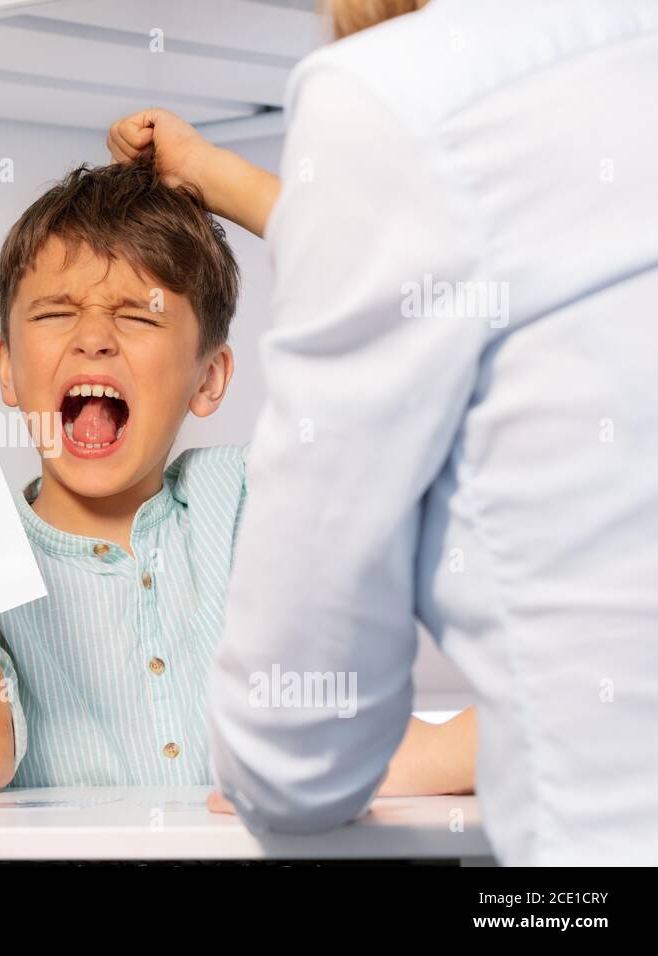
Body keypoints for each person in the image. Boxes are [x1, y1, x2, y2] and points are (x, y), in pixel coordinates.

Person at [109, 0, 658, 863]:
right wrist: (218, 176)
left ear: (211, 376)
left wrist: (395, 755)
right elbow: (467, 247)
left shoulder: (400, 88)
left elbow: (295, 758)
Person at [0, 156, 475, 796]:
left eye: (139, 315)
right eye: (54, 313)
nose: (93, 339)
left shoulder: (253, 500)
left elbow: (415, 297)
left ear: (209, 378)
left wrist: (219, 178)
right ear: (7, 369)